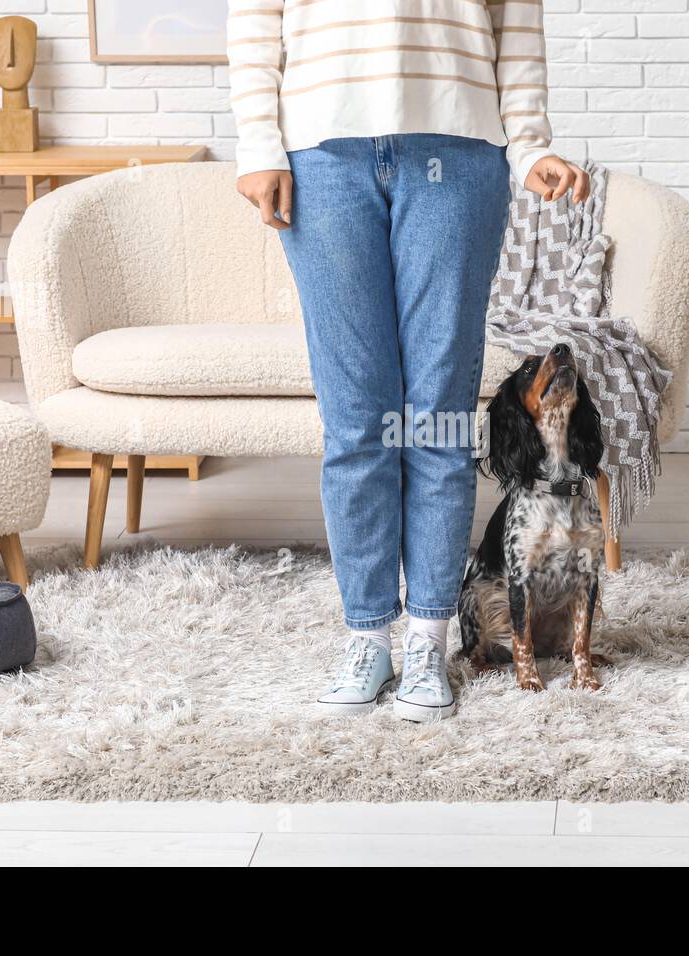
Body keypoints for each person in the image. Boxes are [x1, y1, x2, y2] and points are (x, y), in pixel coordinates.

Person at [228, 0, 589, 721]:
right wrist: (260, 148)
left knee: (441, 416)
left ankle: (425, 637)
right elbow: (255, 17)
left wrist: (529, 144)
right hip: (322, 156)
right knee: (357, 420)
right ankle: (367, 636)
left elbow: (516, 22)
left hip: (458, 154)